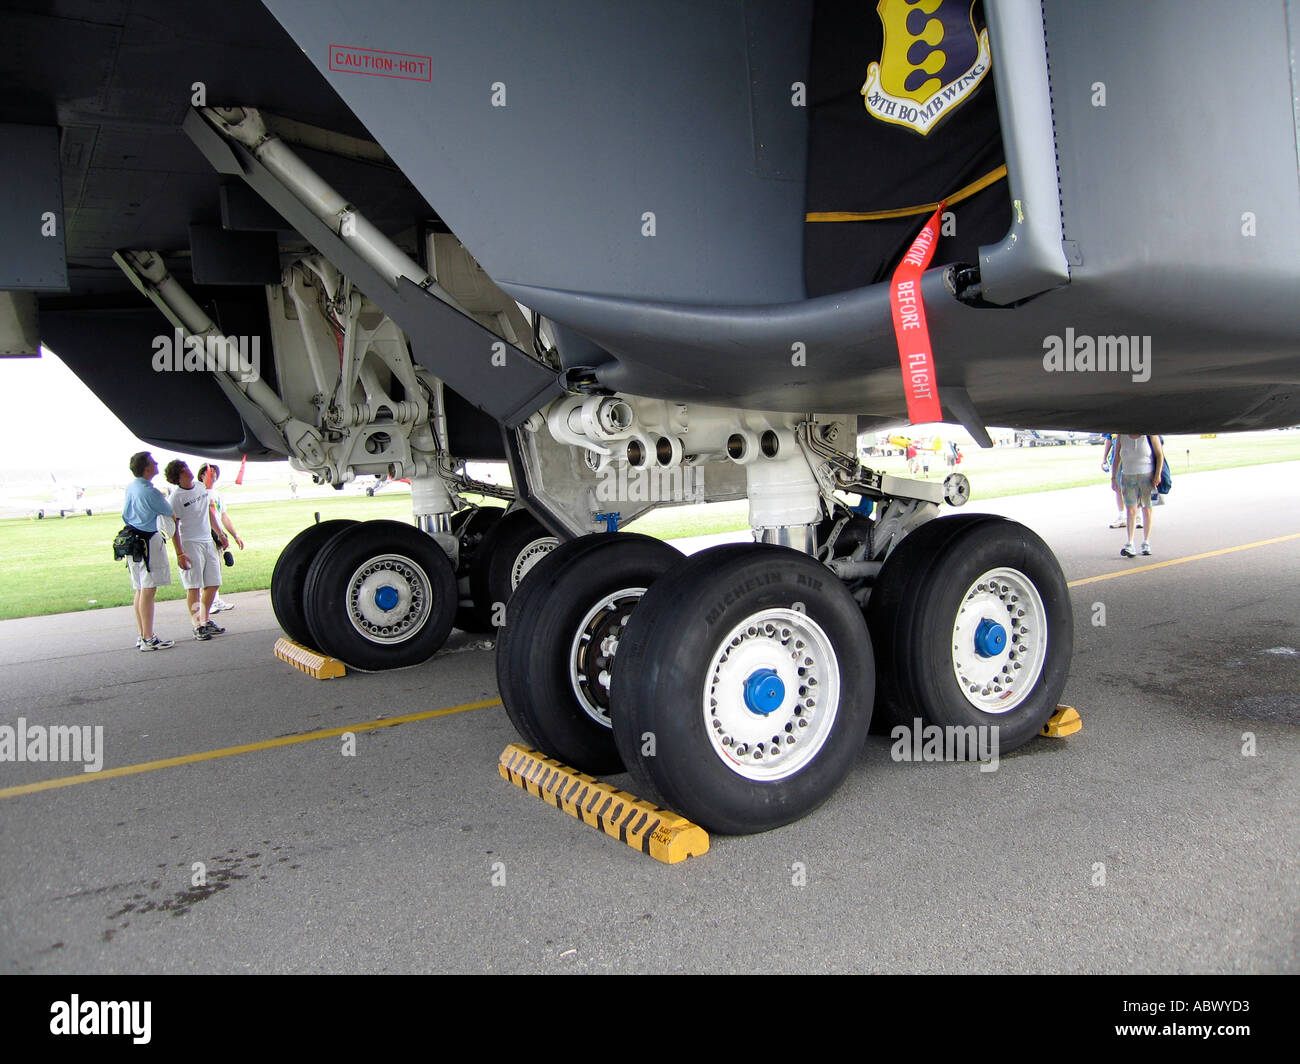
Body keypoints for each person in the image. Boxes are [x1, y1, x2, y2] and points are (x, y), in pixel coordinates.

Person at [122, 451, 188, 651]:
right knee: (149, 589)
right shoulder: (150, 492)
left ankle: (142, 634)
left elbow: (125, 514)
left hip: (132, 541)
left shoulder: (131, 487)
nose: (157, 464)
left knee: (140, 589)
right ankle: (148, 638)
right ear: (147, 467)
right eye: (153, 462)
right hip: (148, 542)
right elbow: (170, 513)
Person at [165, 460, 228, 640]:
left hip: (207, 540)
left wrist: (220, 534)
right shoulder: (175, 499)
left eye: (186, 468)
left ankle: (206, 620)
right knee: (194, 586)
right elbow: (173, 529)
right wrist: (179, 553)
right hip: (190, 543)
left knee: (213, 582)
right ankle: (197, 624)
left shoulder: (201, 488)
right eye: (183, 470)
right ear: (178, 477)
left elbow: (210, 513)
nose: (188, 471)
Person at [197, 463, 243, 612]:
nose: (213, 476)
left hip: (217, 536)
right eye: (210, 473)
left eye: (215, 473)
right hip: (204, 536)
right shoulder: (198, 492)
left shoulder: (216, 494)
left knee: (216, 568)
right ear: (202, 475)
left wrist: (235, 535)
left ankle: (215, 599)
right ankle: (206, 603)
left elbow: (223, 516)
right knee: (206, 570)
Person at [1115, 434, 1164, 557]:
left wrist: (1157, 474)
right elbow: (1117, 458)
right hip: (1127, 476)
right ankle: (1130, 543)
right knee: (1131, 510)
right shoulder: (1122, 436)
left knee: (1147, 509)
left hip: (1146, 476)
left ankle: (1146, 542)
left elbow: (1159, 454)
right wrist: (1114, 478)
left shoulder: (1149, 435)